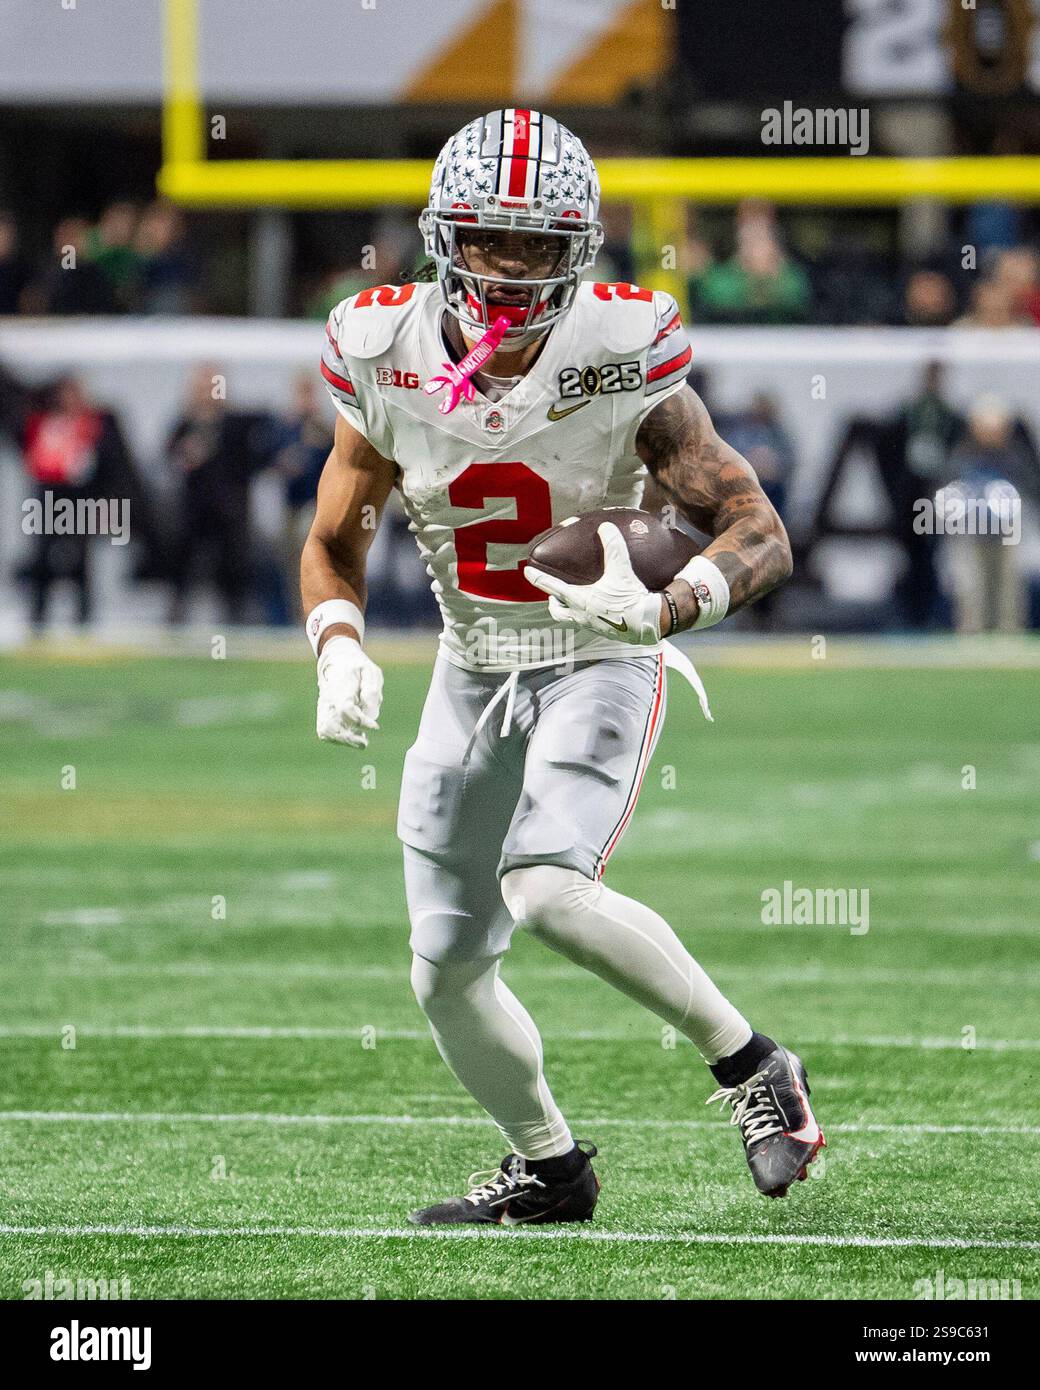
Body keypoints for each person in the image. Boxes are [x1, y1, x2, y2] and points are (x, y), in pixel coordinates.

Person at [301, 110, 823, 1225]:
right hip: (468, 659)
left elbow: (758, 531)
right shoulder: (378, 346)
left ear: (578, 247)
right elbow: (333, 540)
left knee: (543, 887)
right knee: (441, 968)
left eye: (539, 244)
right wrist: (335, 643)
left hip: (596, 649)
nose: (511, 266)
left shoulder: (618, 348)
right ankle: (547, 1166)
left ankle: (753, 1068)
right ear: (444, 236)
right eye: (489, 239)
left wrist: (670, 604)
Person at [165, 363, 275, 624]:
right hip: (195, 508)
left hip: (230, 507)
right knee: (184, 560)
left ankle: (235, 617)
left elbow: (258, 455)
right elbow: (169, 456)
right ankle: (177, 611)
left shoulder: (236, 423)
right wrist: (186, 454)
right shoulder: (185, 423)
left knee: (233, 566)